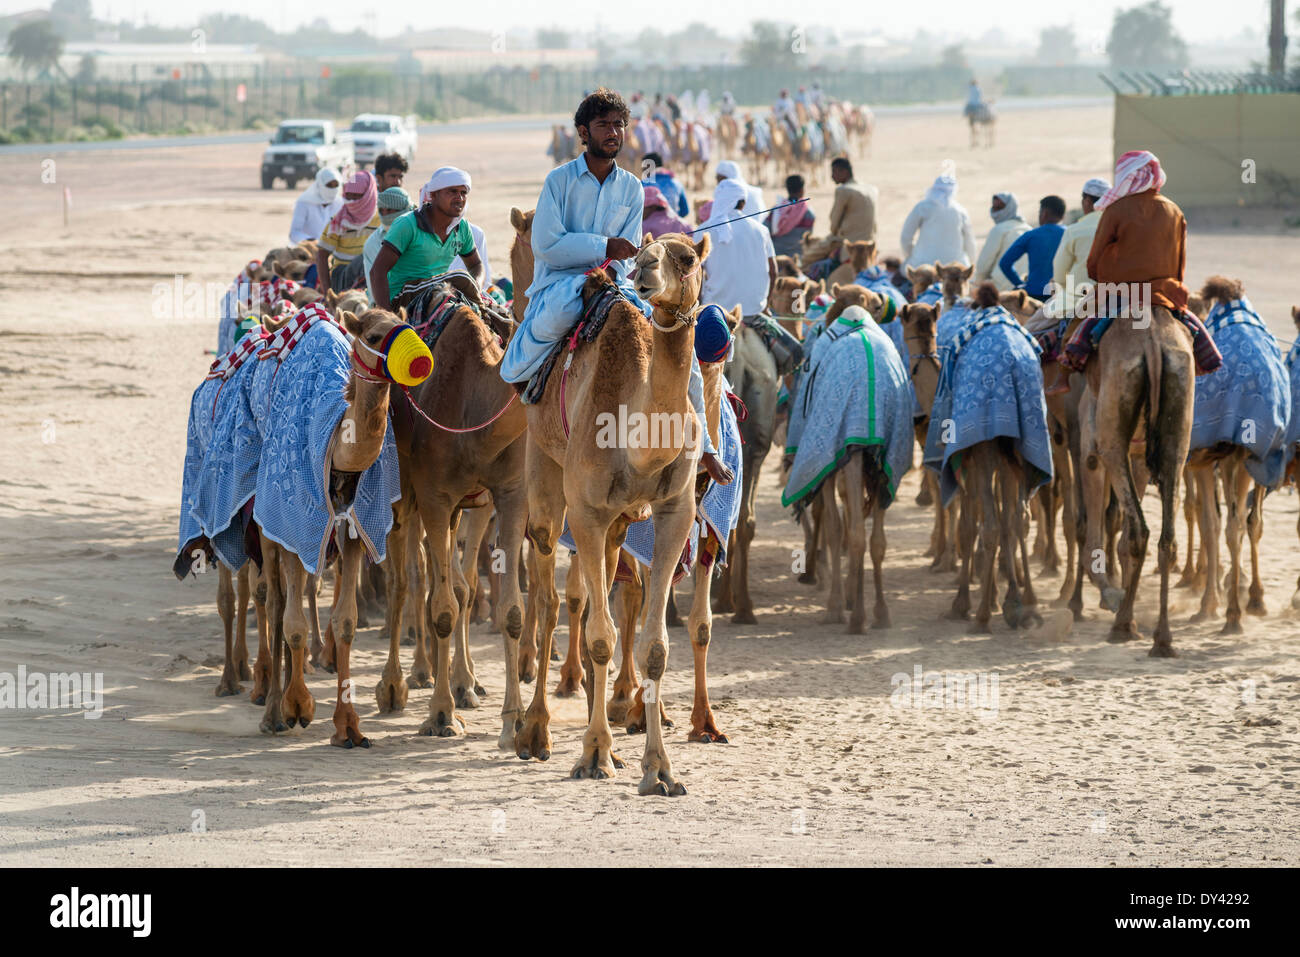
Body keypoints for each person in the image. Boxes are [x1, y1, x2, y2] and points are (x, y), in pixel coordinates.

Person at [499, 88, 731, 484]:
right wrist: (603, 246)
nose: (613, 132)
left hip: (617, 284)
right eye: (603, 125)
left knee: (675, 340)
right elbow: (547, 246)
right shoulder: (559, 182)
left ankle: (705, 445)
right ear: (583, 132)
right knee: (558, 315)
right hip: (563, 282)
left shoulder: (632, 188)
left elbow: (624, 255)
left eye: (619, 125)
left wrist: (631, 255)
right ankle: (523, 381)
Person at [1061, 150, 1219, 375]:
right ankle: (1209, 358)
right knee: (1193, 326)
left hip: (1120, 292)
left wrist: (1101, 280)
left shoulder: (1115, 210)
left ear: (1125, 177)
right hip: (1165, 292)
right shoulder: (1175, 211)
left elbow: (1094, 260)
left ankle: (1065, 373)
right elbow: (1180, 262)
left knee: (1076, 326)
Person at [368, 166, 483, 311]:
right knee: (460, 278)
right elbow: (377, 271)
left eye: (463, 193)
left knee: (496, 319)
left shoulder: (462, 227)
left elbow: (476, 265)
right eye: (452, 191)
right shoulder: (408, 224)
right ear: (434, 195)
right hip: (402, 299)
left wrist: (475, 288)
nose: (459, 198)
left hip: (438, 295)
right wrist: (387, 315)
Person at [700, 178, 777, 325]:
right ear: (743, 202)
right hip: (754, 310)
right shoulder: (761, 230)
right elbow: (773, 272)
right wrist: (765, 305)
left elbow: (696, 274)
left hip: (715, 312)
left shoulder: (705, 230)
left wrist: (697, 308)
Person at [315, 170, 380, 295]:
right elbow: (321, 256)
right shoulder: (338, 222)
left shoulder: (380, 220)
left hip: (372, 277)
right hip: (343, 279)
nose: (352, 201)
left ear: (368, 195)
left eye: (357, 196)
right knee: (363, 260)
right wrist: (328, 293)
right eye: (349, 196)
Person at [900, 173, 975, 268]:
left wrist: (911, 256)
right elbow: (970, 241)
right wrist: (971, 262)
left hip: (922, 265)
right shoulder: (960, 211)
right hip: (954, 268)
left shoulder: (922, 207)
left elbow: (906, 237)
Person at [998, 195, 1066, 299]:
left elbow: (1005, 263)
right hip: (1063, 295)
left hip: (1034, 295)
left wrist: (1019, 284)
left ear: (1044, 213)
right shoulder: (1070, 234)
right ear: (1062, 215)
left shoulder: (1031, 235)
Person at [364, 187, 413, 303]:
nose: (385, 215)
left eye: (390, 210)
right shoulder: (373, 242)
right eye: (381, 211)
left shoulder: (420, 232)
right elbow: (375, 282)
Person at [973, 192, 1029, 291]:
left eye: (1000, 208)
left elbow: (984, 263)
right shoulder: (1029, 230)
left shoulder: (999, 230)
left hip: (1000, 288)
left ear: (1010, 207)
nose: (996, 212)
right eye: (994, 208)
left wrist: (977, 285)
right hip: (1025, 287)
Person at [827, 157, 878, 243]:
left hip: (850, 243)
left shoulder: (843, 190)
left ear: (844, 172)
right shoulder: (871, 189)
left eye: (834, 172)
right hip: (871, 241)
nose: (832, 176)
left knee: (811, 253)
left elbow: (834, 224)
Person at [767, 174, 815, 259]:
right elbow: (808, 239)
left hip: (777, 257)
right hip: (797, 258)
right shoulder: (808, 214)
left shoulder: (777, 210)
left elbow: (765, 231)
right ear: (802, 190)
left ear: (787, 189)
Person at [289, 167, 342, 244]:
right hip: (306, 248)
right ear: (320, 185)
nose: (333, 189)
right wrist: (312, 241)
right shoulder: (304, 203)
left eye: (335, 185)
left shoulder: (340, 203)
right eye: (329, 185)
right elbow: (294, 233)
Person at [642, 151, 689, 218]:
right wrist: (673, 219)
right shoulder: (677, 183)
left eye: (643, 168)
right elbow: (685, 211)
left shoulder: (642, 184)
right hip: (673, 225)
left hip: (647, 227)